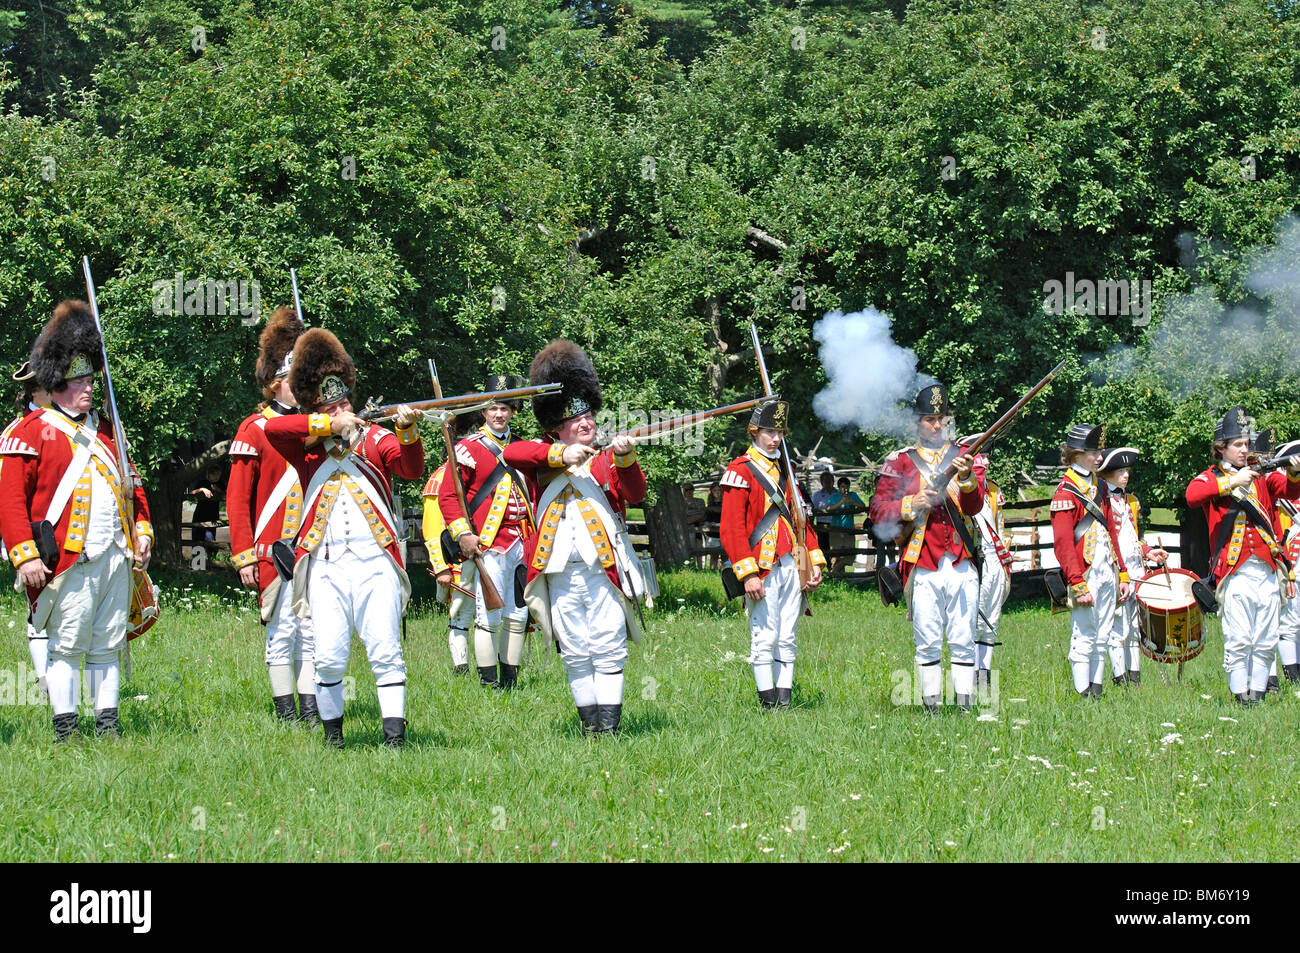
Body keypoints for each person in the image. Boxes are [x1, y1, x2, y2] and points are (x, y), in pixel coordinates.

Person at [263, 328, 424, 747]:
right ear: (320, 410)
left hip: (375, 562)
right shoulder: (308, 449)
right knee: (329, 656)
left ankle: (395, 738)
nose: (343, 410)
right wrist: (327, 424)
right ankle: (334, 738)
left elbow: (409, 469)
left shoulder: (375, 439)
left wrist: (407, 431)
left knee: (386, 652)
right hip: (327, 565)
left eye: (345, 403)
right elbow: (274, 431)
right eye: (333, 406)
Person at [0, 301, 153, 741]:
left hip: (115, 557)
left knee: (107, 645)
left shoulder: (108, 430)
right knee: (66, 648)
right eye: (79, 380)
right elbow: (10, 500)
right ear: (57, 383)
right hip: (69, 560)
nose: (88, 387)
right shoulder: (28, 432)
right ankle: (65, 730)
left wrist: (141, 532)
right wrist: (23, 555)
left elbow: (133, 488)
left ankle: (108, 726)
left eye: (90, 379)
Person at [509, 340, 647, 735]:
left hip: (601, 568)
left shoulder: (605, 458)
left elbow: (635, 494)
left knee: (607, 645)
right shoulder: (542, 457)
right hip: (558, 572)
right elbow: (513, 454)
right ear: (557, 427)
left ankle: (610, 728)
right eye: (575, 420)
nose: (586, 423)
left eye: (588, 417)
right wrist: (561, 456)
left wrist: (624, 457)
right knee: (574, 649)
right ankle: (590, 728)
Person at [226, 306, 318, 724]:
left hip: (315, 546)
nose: (298, 390)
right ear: (274, 384)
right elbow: (237, 498)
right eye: (291, 382)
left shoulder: (318, 426)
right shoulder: (252, 428)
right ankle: (287, 714)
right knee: (282, 633)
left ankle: (313, 710)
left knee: (314, 635)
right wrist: (244, 554)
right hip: (272, 550)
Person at [869, 385, 983, 711]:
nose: (937, 425)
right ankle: (931, 708)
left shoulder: (963, 456)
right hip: (921, 559)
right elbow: (878, 512)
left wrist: (968, 480)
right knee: (928, 640)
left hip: (960, 557)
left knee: (963, 638)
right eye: (930, 419)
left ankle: (965, 707)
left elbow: (974, 507)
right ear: (917, 422)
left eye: (941, 418)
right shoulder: (901, 462)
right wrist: (912, 502)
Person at [1185, 408, 1300, 706]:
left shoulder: (1261, 477)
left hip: (1266, 570)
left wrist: (1295, 471)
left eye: (1246, 444)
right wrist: (1234, 481)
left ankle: (1258, 698)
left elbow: (1288, 489)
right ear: (1221, 447)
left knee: (1265, 639)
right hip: (1233, 572)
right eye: (1238, 444)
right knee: (1238, 640)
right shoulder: (1213, 478)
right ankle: (1241, 698)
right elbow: (1193, 495)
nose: (1245, 449)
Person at [720, 399, 825, 708]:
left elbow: (800, 521)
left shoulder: (787, 472)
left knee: (787, 635)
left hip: (792, 562)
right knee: (765, 635)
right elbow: (732, 529)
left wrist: (812, 561)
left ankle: (784, 700)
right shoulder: (740, 470)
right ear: (755, 431)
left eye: (779, 431)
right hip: (761, 567)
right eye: (768, 431)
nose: (775, 438)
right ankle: (768, 703)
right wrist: (748, 573)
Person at [438, 375, 537, 689]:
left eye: (505, 408)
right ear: (483, 411)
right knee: (489, 614)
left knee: (518, 614)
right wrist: (464, 534)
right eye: (493, 408)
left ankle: (510, 679)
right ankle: (488, 683)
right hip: (488, 543)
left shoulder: (523, 447)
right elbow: (449, 495)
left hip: (523, 539)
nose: (499, 414)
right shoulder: (468, 448)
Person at [1051, 424, 1128, 699]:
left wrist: (1124, 574)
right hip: (1085, 573)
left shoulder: (1100, 488)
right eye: (1094, 452)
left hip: (1107, 569)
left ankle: (1096, 691)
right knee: (1084, 633)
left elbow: (1113, 532)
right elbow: (1062, 545)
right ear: (1076, 454)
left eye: (1100, 451)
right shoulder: (1066, 492)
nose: (1099, 457)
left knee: (1103, 634)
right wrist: (1076, 581)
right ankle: (1082, 693)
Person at [1096, 446, 1168, 687]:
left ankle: (1135, 676)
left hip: (1136, 569)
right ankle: (1120, 677)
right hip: (1116, 569)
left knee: (1136, 626)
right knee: (1119, 626)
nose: (1125, 475)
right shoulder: (1102, 501)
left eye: (1126, 470)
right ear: (1105, 474)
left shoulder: (1131, 500)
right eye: (1119, 471)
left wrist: (1148, 551)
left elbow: (1131, 537)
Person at [3, 361, 52, 696]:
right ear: (36, 391)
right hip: (34, 532)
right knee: (40, 607)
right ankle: (45, 679)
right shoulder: (16, 432)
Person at [957, 438, 1012, 691]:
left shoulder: (993, 489)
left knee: (990, 618)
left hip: (992, 559)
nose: (987, 461)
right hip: (970, 558)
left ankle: (984, 673)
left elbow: (998, 528)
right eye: (982, 455)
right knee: (968, 620)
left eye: (988, 456)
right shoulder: (957, 487)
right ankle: (966, 674)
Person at [421, 453, 475, 676]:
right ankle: (461, 668)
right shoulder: (439, 478)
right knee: (460, 616)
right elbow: (432, 530)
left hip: (489, 555)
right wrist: (440, 566)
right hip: (457, 559)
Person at [1270, 438, 1300, 689]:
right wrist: (1287, 569)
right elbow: (1282, 533)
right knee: (1288, 624)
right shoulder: (1283, 496)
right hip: (1293, 564)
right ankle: (1292, 677)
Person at [826, 475, 865, 573]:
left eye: (847, 486)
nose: (845, 489)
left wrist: (851, 501)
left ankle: (833, 573)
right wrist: (841, 502)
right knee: (836, 555)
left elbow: (862, 506)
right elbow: (828, 509)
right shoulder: (835, 496)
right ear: (839, 487)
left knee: (849, 554)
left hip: (849, 529)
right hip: (836, 529)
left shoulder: (853, 495)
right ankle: (839, 579)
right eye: (843, 487)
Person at [188, 464, 225, 542]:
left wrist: (218, 490)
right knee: (197, 539)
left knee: (210, 539)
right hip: (200, 514)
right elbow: (192, 493)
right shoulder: (202, 482)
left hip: (213, 515)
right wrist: (202, 489)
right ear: (209, 474)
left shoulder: (220, 484)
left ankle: (211, 553)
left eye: (219, 475)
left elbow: (226, 494)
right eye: (215, 474)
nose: (217, 477)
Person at [811, 471, 835, 556]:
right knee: (823, 546)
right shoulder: (817, 495)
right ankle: (826, 564)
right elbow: (813, 509)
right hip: (822, 523)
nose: (828, 483)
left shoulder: (838, 493)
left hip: (835, 522)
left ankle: (834, 565)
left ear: (833, 481)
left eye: (830, 481)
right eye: (825, 481)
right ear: (822, 483)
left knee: (834, 545)